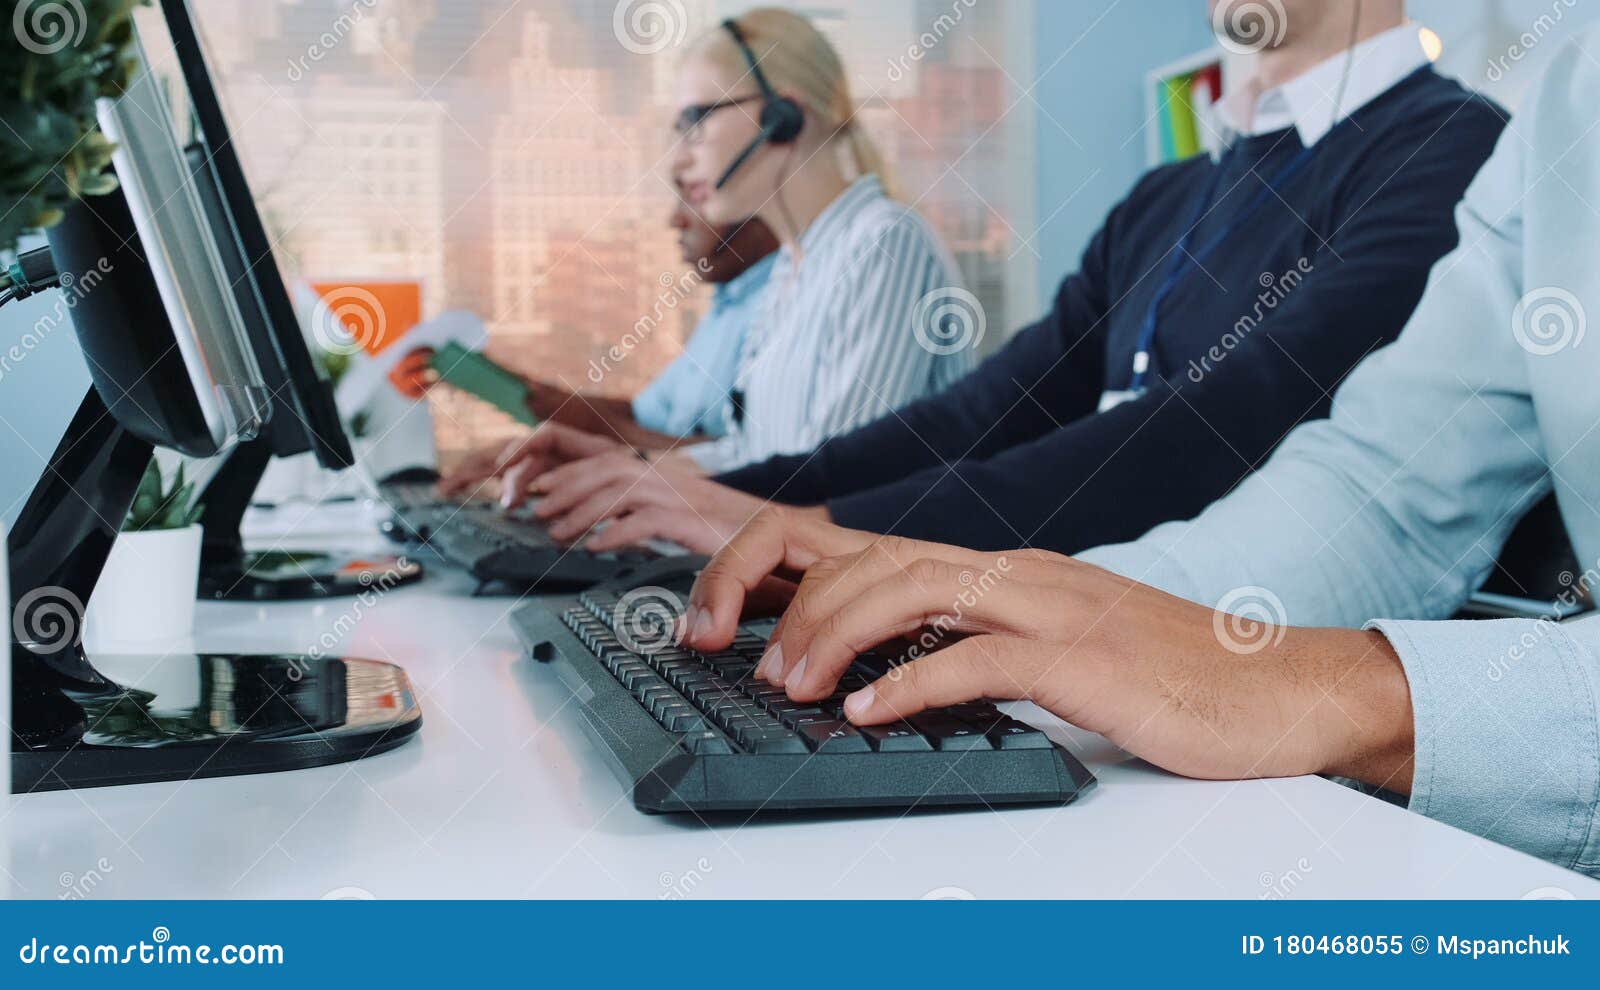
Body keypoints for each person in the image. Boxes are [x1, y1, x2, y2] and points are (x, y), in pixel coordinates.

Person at [676, 28, 1600, 877]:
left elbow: (1219, 417)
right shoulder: (1567, 97)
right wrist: (1068, 605)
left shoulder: (1441, 140)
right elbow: (1386, 492)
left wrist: (1336, 691)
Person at [508, 0, 1508, 554]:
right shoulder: (1167, 195)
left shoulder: (1448, 148)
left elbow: (1231, 417)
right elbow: (983, 415)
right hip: (1053, 639)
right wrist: (717, 495)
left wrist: (817, 531)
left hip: (1221, 683)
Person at [444, 7, 975, 503]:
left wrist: (634, 481)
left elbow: (832, 486)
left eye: (697, 123)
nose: (679, 162)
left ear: (783, 116)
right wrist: (606, 464)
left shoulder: (883, 244)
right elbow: (755, 458)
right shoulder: (793, 270)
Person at [392, 187, 779, 462]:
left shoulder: (778, 307)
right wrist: (499, 384)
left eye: (694, 196)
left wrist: (587, 446)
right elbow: (640, 418)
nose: (675, 219)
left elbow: (747, 460)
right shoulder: (727, 303)